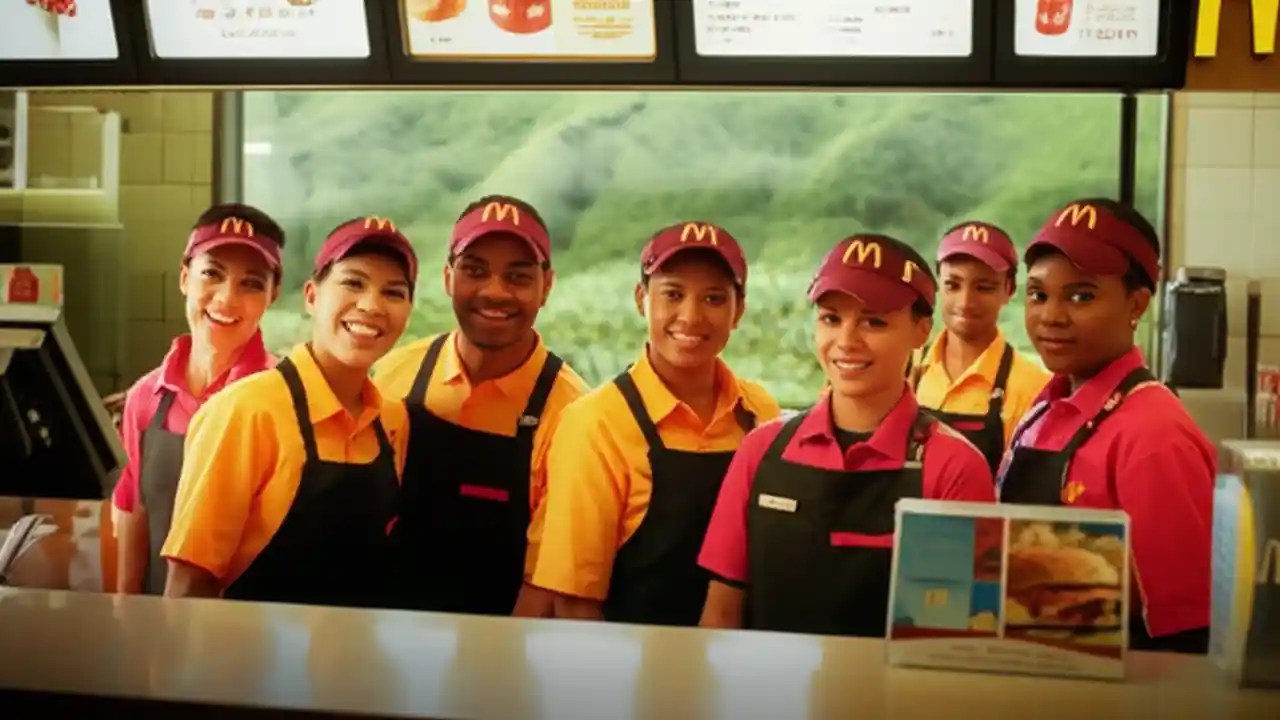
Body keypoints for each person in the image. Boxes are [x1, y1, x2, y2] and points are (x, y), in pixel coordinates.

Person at [698, 233, 995, 638]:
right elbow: (720, 615)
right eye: (831, 319)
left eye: (874, 321)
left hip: (896, 700)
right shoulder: (762, 450)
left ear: (921, 331)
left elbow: (948, 641)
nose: (847, 342)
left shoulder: (953, 467)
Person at [527, 221, 781, 626]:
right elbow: (574, 601)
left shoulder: (758, 412)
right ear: (642, 298)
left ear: (740, 311)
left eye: (714, 298)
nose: (691, 316)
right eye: (673, 295)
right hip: (630, 671)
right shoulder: (595, 422)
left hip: (736, 664)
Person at [160, 216, 418, 607]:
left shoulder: (392, 420)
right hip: (246, 661)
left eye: (393, 293)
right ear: (312, 296)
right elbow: (188, 587)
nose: (371, 305)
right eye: (353, 283)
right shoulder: (245, 411)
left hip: (353, 662)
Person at [997, 198, 1214, 654]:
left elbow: (1182, 622)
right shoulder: (1042, 408)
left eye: (1081, 296)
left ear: (1137, 303)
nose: (1051, 316)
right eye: (1038, 295)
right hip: (1033, 668)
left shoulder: (1154, 434)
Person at [372, 195, 587, 617]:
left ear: (547, 285)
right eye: (475, 271)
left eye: (518, 276)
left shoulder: (573, 411)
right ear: (448, 277)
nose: (495, 292)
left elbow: (546, 580)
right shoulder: (394, 373)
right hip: (384, 637)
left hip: (502, 650)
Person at [112, 203, 284, 595]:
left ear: (272, 294)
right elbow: (135, 512)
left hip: (250, 631)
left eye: (251, 283)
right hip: (158, 626)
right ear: (185, 278)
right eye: (212, 274)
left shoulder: (283, 395)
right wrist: (124, 609)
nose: (226, 298)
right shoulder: (145, 397)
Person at [912, 221, 1050, 473]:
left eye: (983, 287)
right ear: (936, 286)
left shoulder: (1035, 390)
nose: (965, 302)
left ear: (1009, 290)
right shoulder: (902, 368)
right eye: (953, 285)